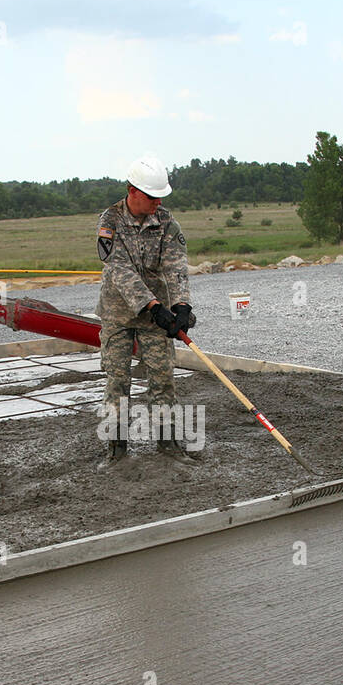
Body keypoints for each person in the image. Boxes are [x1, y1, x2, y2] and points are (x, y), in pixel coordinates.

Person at [94, 155, 195, 466]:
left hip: (158, 314)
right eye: (152, 196)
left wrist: (181, 305)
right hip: (118, 313)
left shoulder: (166, 222)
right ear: (132, 191)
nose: (157, 201)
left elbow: (176, 267)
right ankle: (116, 449)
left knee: (163, 378)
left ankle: (170, 446)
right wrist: (153, 307)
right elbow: (120, 271)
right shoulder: (109, 222)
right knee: (117, 380)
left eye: (160, 196)